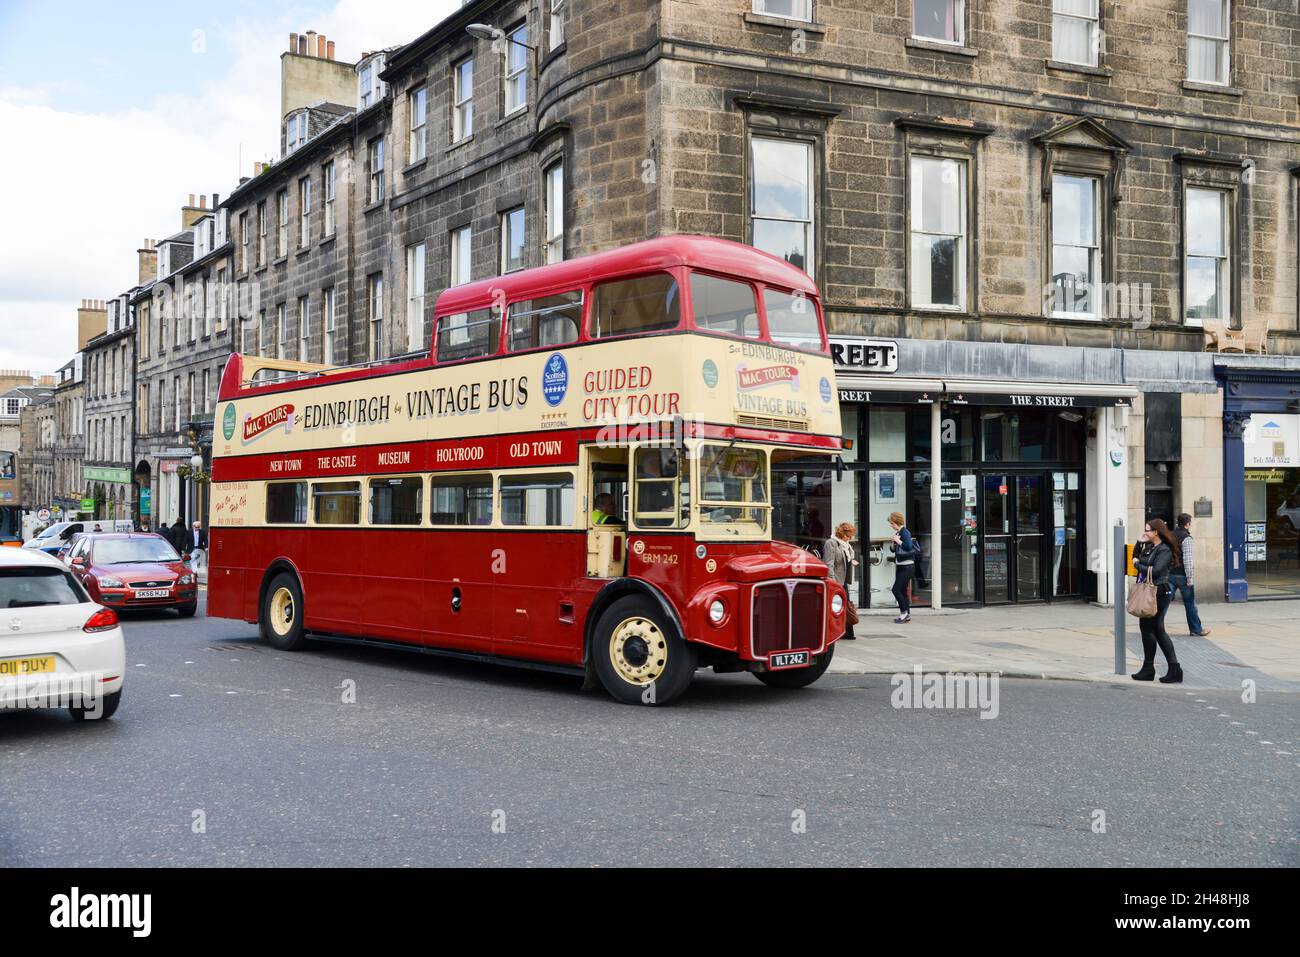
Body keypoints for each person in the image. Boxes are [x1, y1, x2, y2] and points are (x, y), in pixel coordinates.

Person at [1132, 518, 1184, 684]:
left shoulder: (1164, 550)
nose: (1145, 532)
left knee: (1155, 629)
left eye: (1147, 530)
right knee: (1149, 629)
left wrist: (1138, 565)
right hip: (1150, 591)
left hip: (1159, 592)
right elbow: (1135, 557)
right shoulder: (1150, 547)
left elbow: (1156, 571)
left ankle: (1172, 669)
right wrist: (1138, 542)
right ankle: (1149, 668)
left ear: (1156, 532)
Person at [1172, 513, 1209, 637]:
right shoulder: (1186, 538)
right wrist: (1190, 578)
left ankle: (1154, 627)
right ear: (1187, 524)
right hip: (1182, 575)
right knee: (1190, 604)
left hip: (1169, 575)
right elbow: (1187, 560)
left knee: (1163, 605)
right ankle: (1196, 630)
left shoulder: (1170, 535)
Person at [822, 522, 858, 640]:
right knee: (837, 606)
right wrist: (832, 582)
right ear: (842, 533)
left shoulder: (845, 545)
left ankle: (847, 632)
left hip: (844, 581)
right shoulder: (831, 543)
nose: (849, 538)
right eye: (848, 536)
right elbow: (829, 564)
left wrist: (851, 561)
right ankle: (839, 632)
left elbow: (845, 560)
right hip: (836, 581)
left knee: (845, 606)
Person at [888, 511, 918, 624]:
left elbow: (908, 546)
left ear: (896, 522)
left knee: (896, 590)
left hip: (907, 566)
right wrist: (893, 543)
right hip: (901, 565)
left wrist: (898, 541)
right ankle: (907, 615)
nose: (890, 525)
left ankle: (904, 613)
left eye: (891, 522)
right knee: (903, 590)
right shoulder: (898, 532)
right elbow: (895, 549)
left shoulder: (905, 532)